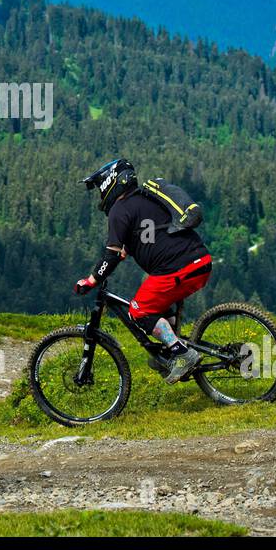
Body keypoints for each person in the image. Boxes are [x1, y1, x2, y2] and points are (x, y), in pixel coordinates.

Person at [74, 158, 211, 382]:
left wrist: (91, 280)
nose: (100, 194)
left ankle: (182, 354)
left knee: (139, 311)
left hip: (178, 268)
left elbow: (111, 254)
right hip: (200, 260)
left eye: (101, 187)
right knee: (156, 304)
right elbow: (148, 235)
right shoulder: (147, 198)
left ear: (111, 182)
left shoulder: (119, 210)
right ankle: (171, 350)